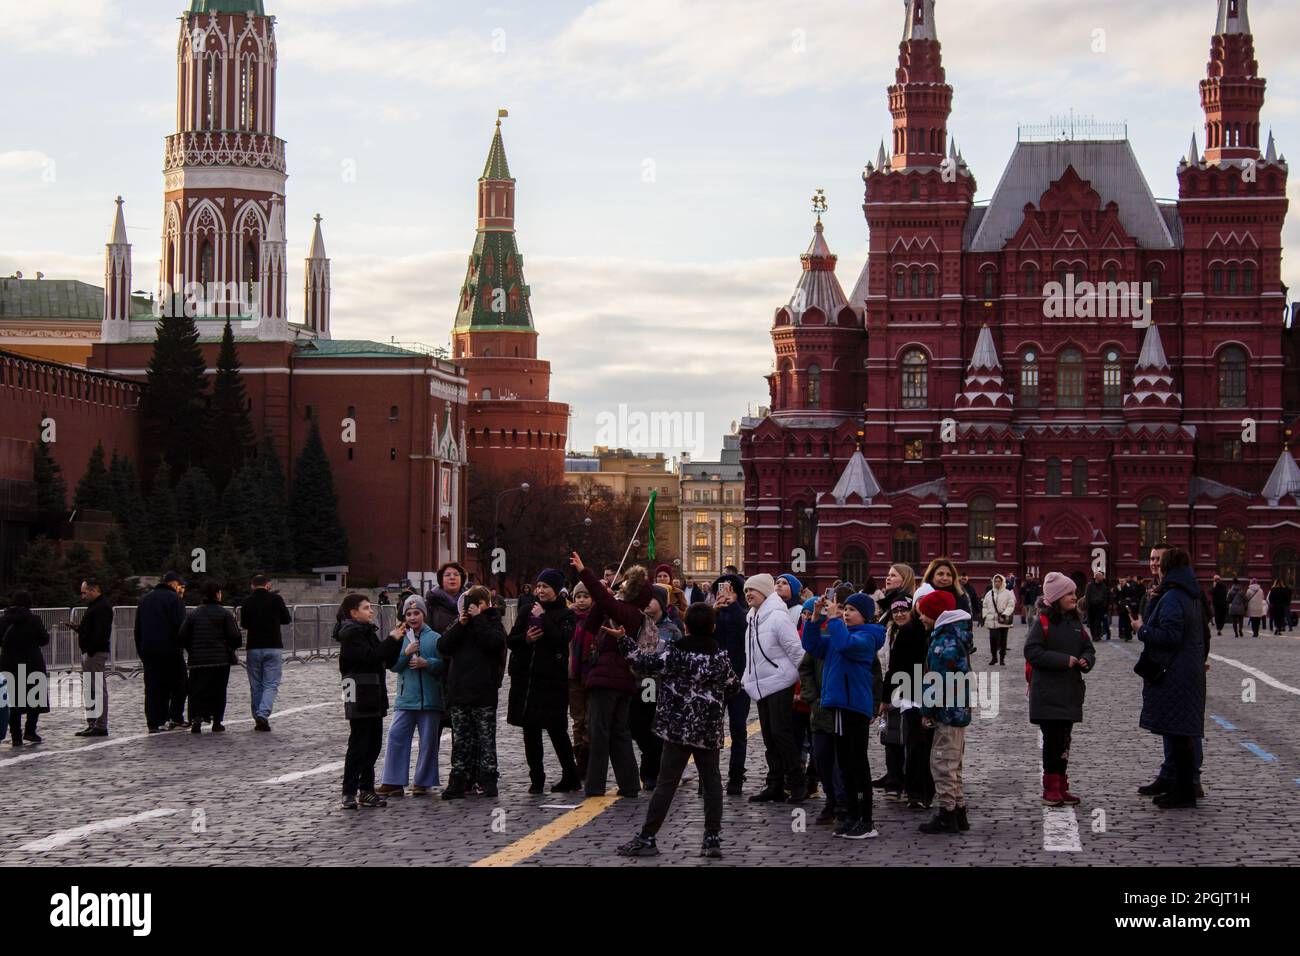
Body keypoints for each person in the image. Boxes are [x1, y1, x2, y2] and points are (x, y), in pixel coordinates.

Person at [615, 603, 740, 859]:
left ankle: (648, 837)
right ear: (713, 627)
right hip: (707, 729)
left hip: (677, 729)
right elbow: (734, 687)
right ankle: (711, 839)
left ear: (685, 626)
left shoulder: (674, 654)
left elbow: (642, 662)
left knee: (666, 784)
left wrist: (624, 640)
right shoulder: (720, 658)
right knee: (712, 783)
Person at [801, 592, 886, 839]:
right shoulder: (843, 634)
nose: (846, 613)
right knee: (846, 766)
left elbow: (845, 645)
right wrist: (815, 618)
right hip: (838, 706)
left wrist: (835, 618)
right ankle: (851, 815)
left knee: (857, 764)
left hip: (853, 707)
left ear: (866, 616)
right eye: (845, 609)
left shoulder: (867, 637)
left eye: (852, 610)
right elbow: (813, 645)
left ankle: (865, 819)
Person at [1132, 548, 1207, 809]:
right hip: (1186, 670)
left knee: (1180, 734)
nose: (1156, 567)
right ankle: (1178, 784)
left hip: (1175, 673)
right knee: (1180, 732)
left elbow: (1171, 636)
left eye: (1159, 563)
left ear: (1168, 568)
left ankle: (1184, 791)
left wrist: (1142, 630)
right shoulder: (1189, 594)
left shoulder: (1174, 596)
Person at [572, 553, 647, 798]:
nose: (620, 586)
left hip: (607, 681)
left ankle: (595, 785)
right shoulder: (624, 610)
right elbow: (591, 623)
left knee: (600, 732)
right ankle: (629, 784)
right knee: (618, 733)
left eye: (624, 583)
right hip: (620, 681)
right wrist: (604, 596)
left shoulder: (629, 612)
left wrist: (585, 572)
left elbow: (603, 601)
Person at [1025, 572, 1096, 807]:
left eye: (1074, 593)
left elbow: (1088, 649)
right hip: (1047, 695)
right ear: (1056, 598)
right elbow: (1032, 652)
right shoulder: (1042, 623)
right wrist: (1063, 660)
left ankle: (1062, 785)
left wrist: (1086, 660)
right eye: (1069, 593)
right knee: (1053, 741)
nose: (1075, 597)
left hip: (1070, 693)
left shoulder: (1076, 624)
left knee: (1064, 741)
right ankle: (1050, 788)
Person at [507, 569, 581, 794]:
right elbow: (511, 640)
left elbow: (562, 639)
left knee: (557, 731)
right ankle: (536, 778)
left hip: (551, 682)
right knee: (530, 733)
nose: (540, 591)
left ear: (556, 590)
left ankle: (571, 776)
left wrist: (544, 618)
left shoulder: (567, 614)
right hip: (527, 682)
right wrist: (526, 639)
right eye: (538, 586)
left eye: (545, 587)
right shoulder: (525, 610)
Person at [741, 573, 808, 804]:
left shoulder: (778, 617)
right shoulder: (752, 617)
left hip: (780, 681)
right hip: (761, 685)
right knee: (769, 737)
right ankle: (775, 784)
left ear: (765, 592)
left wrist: (806, 684)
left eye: (753, 590)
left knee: (781, 734)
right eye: (746, 591)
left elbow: (796, 651)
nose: (748, 594)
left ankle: (797, 783)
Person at [437, 585, 507, 799]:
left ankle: (488, 779)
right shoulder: (460, 624)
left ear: (486, 605)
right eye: (468, 605)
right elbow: (443, 646)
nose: (471, 608)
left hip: (483, 692)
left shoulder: (493, 623)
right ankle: (459, 779)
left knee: (486, 740)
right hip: (460, 691)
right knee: (461, 740)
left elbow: (493, 644)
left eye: (477, 604)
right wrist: (461, 624)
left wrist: (479, 619)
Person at [915, 589, 974, 835]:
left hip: (947, 712)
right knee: (953, 762)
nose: (920, 618)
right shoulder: (955, 636)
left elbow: (936, 682)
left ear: (936, 615)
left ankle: (947, 814)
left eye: (924, 614)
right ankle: (959, 811)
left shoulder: (943, 642)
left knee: (942, 762)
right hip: (957, 711)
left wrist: (927, 710)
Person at [336, 594, 402, 809]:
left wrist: (398, 642)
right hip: (357, 691)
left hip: (372, 691)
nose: (371, 611)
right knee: (359, 743)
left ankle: (366, 790)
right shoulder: (351, 634)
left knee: (373, 743)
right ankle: (349, 791)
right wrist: (391, 639)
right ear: (354, 613)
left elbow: (384, 660)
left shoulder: (366, 631)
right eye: (366, 608)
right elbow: (371, 657)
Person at [376, 595, 446, 797]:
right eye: (409, 614)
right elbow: (394, 666)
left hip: (430, 699)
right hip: (406, 699)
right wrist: (405, 653)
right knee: (396, 735)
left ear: (423, 614)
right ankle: (392, 781)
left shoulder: (435, 638)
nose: (413, 617)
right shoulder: (401, 637)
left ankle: (423, 781)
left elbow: (444, 666)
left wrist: (428, 663)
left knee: (428, 742)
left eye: (416, 613)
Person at [882, 595, 934, 810]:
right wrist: (886, 697)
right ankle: (914, 791)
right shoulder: (904, 631)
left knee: (923, 746)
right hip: (910, 695)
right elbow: (893, 666)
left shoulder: (925, 631)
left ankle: (922, 791)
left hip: (926, 694)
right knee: (913, 745)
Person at [628, 585, 681, 791]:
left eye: (651, 599)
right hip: (634, 681)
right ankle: (650, 761)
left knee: (652, 727)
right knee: (636, 726)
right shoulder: (637, 624)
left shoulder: (671, 629)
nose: (647, 603)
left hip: (655, 683)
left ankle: (651, 771)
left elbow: (677, 658)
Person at [798, 599, 845, 825]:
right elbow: (806, 665)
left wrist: (874, 704)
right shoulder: (823, 637)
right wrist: (812, 698)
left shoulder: (854, 637)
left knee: (843, 761)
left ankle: (843, 803)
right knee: (822, 758)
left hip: (846, 711)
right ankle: (831, 801)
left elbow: (873, 675)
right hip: (820, 710)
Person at [177, 580, 242, 734]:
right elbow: (235, 637)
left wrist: (192, 649)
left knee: (197, 691)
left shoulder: (194, 614)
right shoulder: (225, 614)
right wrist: (229, 648)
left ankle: (196, 718)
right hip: (220, 661)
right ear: (218, 594)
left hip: (198, 661)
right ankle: (217, 721)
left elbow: (181, 636)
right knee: (218, 690)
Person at [134, 572, 188, 733]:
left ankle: (154, 721)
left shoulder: (145, 599)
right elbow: (180, 626)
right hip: (170, 649)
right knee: (180, 684)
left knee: (153, 687)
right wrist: (183, 646)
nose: (182, 590)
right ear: (173, 584)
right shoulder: (174, 599)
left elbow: (138, 629)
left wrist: (141, 651)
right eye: (181, 586)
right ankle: (175, 717)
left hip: (149, 650)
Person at [712, 573, 750, 795]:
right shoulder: (712, 612)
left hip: (738, 679)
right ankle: (709, 777)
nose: (724, 594)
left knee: (738, 730)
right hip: (714, 680)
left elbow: (745, 628)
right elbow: (703, 632)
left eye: (729, 589)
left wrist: (733, 605)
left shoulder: (744, 613)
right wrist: (714, 610)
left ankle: (736, 776)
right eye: (720, 589)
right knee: (711, 730)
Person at [239, 574, 292, 732]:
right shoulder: (276, 599)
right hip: (273, 645)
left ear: (252, 586)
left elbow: (245, 624)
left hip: (253, 646)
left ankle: (257, 717)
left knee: (255, 685)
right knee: (271, 683)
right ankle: (263, 714)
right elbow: (287, 619)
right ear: (268, 585)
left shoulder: (247, 601)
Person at [0, 592, 49, 745]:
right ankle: (30, 731)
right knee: (34, 698)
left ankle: (16, 736)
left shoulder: (3, 620)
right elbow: (44, 640)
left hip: (9, 663)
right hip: (32, 663)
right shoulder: (34, 620)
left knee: (13, 702)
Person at [69, 578, 112, 737]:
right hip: (89, 652)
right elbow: (93, 630)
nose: (82, 596)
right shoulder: (95, 606)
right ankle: (92, 723)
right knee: (89, 689)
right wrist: (79, 629)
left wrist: (91, 650)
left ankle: (100, 725)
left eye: (84, 592)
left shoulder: (102, 607)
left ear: (94, 590)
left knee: (98, 688)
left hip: (94, 653)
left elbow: (101, 633)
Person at [568, 581, 594, 780]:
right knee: (577, 719)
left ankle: (587, 758)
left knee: (589, 720)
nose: (582, 601)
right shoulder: (569, 618)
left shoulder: (596, 619)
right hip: (573, 675)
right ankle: (579, 757)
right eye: (578, 597)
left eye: (585, 596)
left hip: (591, 674)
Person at [982, 574, 1015, 666]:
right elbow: (985, 605)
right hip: (992, 620)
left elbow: (1011, 605)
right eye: (995, 581)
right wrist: (985, 615)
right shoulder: (989, 593)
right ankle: (994, 657)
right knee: (993, 639)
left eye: (999, 581)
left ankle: (1002, 658)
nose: (997, 583)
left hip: (1003, 620)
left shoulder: (1008, 593)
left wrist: (1005, 614)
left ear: (1002, 582)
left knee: (1003, 640)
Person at [1084, 571, 1111, 641]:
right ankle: (1094, 635)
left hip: (1100, 607)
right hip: (1091, 607)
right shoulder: (1090, 585)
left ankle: (1097, 636)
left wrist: (1104, 605)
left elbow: (1105, 596)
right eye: (1101, 576)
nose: (1103, 577)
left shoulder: (1103, 586)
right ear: (1097, 577)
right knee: (1092, 622)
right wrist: (1087, 605)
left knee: (1098, 622)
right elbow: (1087, 596)